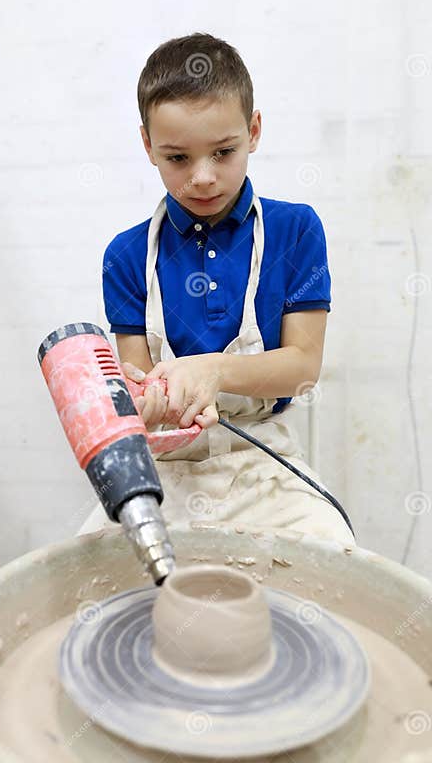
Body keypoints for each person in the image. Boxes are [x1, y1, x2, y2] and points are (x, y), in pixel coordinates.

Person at [77, 32, 354, 545]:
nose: (202, 178)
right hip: (166, 465)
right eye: (178, 158)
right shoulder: (125, 256)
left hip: (262, 458)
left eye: (223, 151)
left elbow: (301, 369)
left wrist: (213, 370)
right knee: (85, 579)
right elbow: (137, 388)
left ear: (253, 131)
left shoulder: (296, 231)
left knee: (336, 563)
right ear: (148, 147)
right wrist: (155, 404)